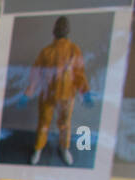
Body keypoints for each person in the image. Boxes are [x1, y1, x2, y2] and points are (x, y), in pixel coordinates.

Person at [22, 16, 90, 167]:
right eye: (60, 27)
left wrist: (84, 92)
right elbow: (36, 74)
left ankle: (64, 148)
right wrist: (28, 92)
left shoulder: (74, 50)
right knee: (43, 124)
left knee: (65, 124)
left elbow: (79, 73)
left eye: (63, 27)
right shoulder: (46, 52)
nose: (61, 30)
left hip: (67, 96)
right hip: (48, 95)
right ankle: (38, 149)